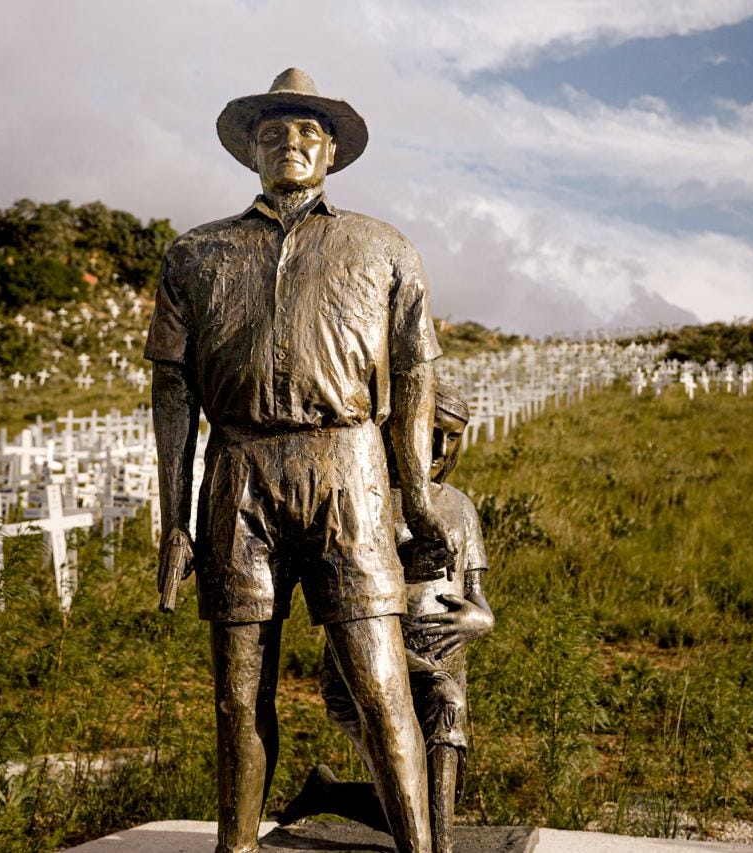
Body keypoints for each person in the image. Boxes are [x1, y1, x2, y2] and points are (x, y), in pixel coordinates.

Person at [145, 69, 452, 853]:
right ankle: (235, 845)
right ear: (251, 148)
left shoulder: (382, 247)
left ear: (334, 150)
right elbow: (172, 389)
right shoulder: (195, 254)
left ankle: (420, 847)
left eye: (308, 133)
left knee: (382, 686)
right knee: (237, 694)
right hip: (238, 471)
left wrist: (415, 496)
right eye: (275, 132)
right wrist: (174, 521)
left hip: (347, 469)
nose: (291, 144)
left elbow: (417, 373)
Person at [277, 384, 494, 853]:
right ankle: (437, 850)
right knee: (434, 727)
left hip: (442, 660)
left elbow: (478, 599)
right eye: (431, 432)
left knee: (441, 796)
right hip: (370, 667)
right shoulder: (366, 498)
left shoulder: (460, 507)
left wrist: (479, 621)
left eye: (451, 437)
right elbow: (345, 590)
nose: (439, 449)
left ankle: (331, 794)